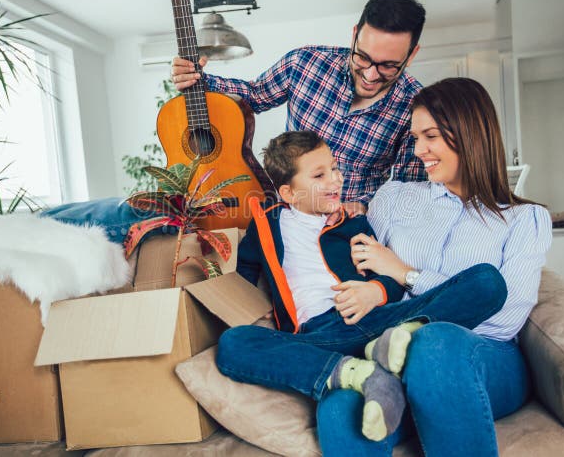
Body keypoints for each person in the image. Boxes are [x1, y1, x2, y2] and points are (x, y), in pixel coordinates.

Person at [215, 130, 509, 444]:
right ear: (289, 194)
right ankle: (359, 373)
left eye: (335, 168)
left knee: (486, 282)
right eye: (319, 175)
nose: (335, 180)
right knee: (233, 343)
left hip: (381, 322)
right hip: (321, 338)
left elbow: (389, 281)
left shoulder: (354, 224)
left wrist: (375, 292)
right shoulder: (265, 227)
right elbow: (241, 283)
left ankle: (400, 339)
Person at [316, 77, 553, 456]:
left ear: (470, 134)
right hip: (393, 361)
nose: (418, 150)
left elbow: (504, 316)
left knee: (435, 341)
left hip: (485, 358)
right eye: (414, 138)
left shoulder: (525, 219)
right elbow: (366, 280)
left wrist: (405, 273)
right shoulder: (393, 197)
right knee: (342, 408)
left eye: (431, 136)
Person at [172, 0, 429, 216]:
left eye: (388, 65)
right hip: (284, 214)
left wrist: (364, 207)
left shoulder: (417, 109)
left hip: (347, 231)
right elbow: (254, 96)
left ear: (412, 54)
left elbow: (410, 191)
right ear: (354, 36)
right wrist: (197, 79)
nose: (371, 75)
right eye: (362, 57)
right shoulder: (304, 63)